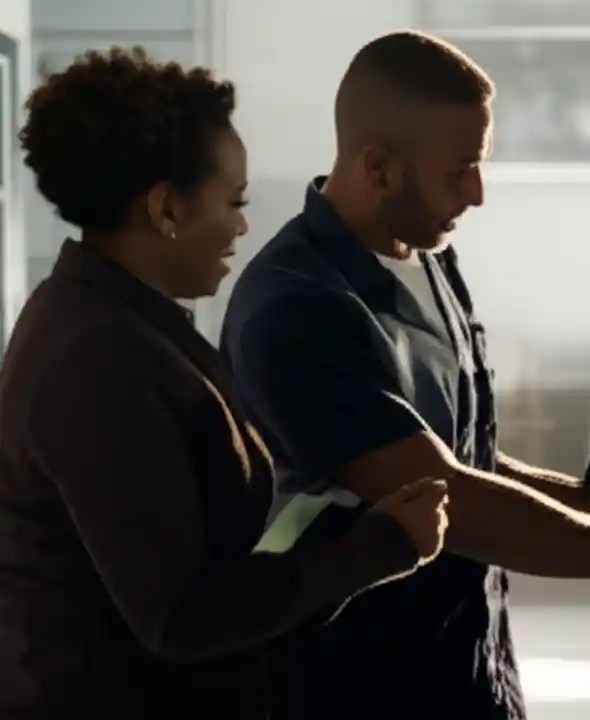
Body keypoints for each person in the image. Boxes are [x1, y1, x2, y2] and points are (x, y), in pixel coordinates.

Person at [220, 31, 590, 720]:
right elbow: (447, 494)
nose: (477, 194)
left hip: (469, 665)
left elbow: (463, 455)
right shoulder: (297, 308)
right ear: (379, 167)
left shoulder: (429, 259)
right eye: (460, 171)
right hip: (359, 685)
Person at [0, 47, 452, 720]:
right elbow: (179, 616)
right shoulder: (100, 360)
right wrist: (380, 548)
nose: (243, 227)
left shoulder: (119, 324)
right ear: (166, 209)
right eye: (233, 203)